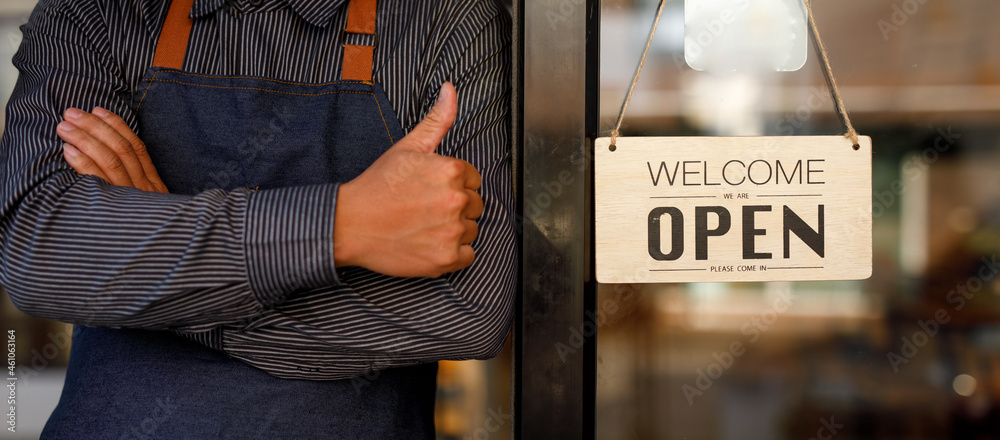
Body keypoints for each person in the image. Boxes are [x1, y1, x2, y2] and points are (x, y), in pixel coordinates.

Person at [0, 0, 515, 438]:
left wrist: (156, 264)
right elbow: (38, 252)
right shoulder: (97, 11)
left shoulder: (447, 15)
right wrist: (341, 226)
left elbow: (470, 311)